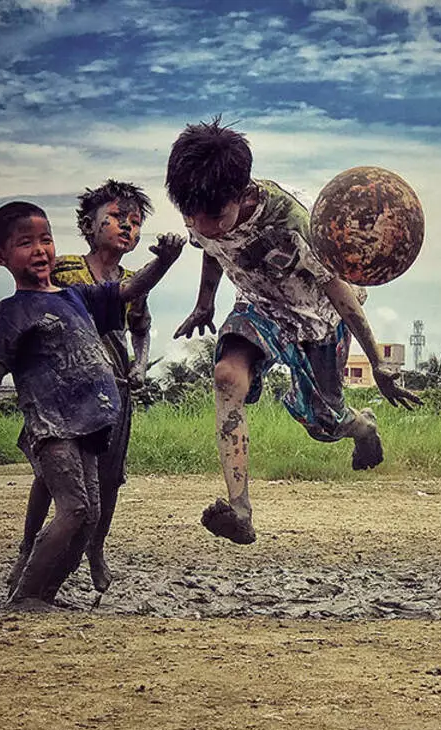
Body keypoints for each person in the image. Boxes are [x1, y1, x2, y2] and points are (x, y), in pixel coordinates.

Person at [165, 118, 421, 546]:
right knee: (227, 377)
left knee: (325, 423)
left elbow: (341, 295)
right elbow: (211, 249)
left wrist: (377, 362)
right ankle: (241, 510)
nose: (200, 225)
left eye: (211, 216)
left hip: (317, 318)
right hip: (258, 305)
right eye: (190, 215)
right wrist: (205, 303)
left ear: (242, 194)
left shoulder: (294, 224)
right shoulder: (200, 205)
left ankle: (363, 428)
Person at [0, 201, 184, 609]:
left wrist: (165, 261)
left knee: (90, 515)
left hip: (91, 426)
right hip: (53, 427)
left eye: (46, 240)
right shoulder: (12, 311)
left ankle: (44, 593)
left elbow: (130, 291)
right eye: (26, 243)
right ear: (1, 257)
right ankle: (26, 595)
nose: (40, 250)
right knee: (74, 507)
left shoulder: (76, 296)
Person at [11, 180, 156, 597]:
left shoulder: (134, 280)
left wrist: (141, 366)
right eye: (116, 218)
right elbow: (34, 307)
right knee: (51, 474)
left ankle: (95, 549)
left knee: (109, 479)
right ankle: (28, 547)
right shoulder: (65, 268)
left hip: (113, 390)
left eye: (135, 222)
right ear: (89, 227)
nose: (127, 227)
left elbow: (141, 329)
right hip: (65, 388)